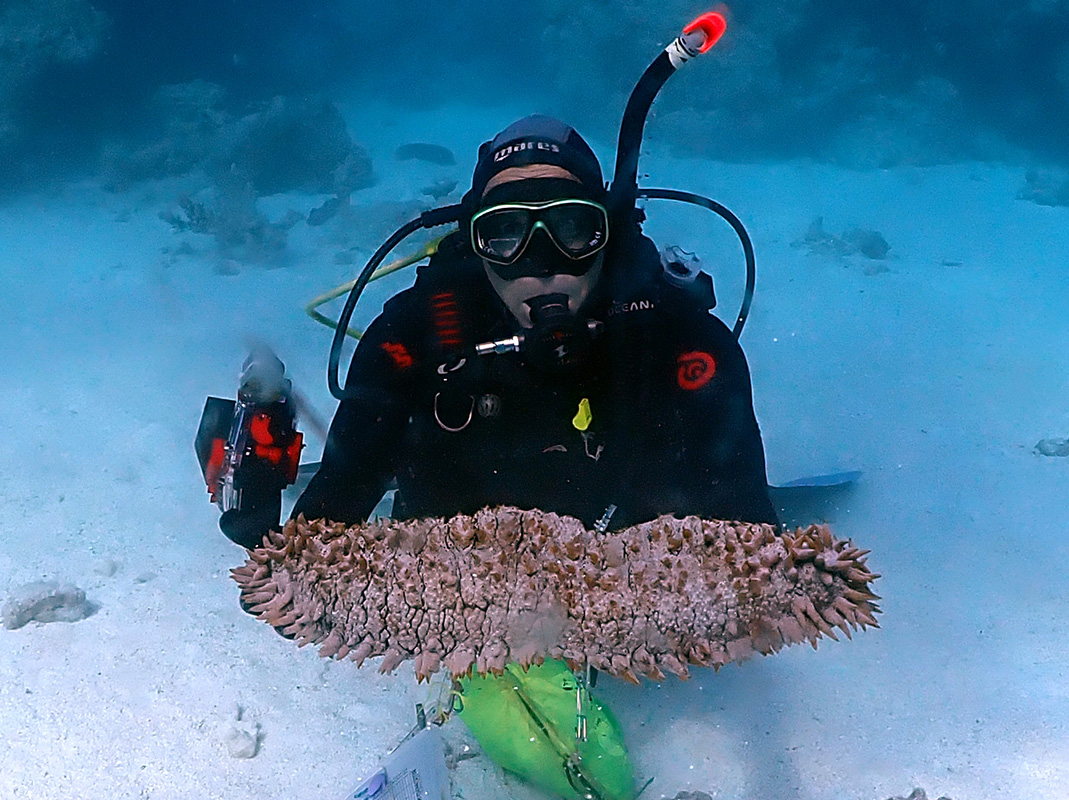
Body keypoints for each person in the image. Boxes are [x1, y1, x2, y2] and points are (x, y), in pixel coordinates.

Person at [220, 115, 777, 549]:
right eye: (506, 233)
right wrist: (267, 528)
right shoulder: (412, 339)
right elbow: (325, 528)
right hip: (452, 566)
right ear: (474, 245)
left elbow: (751, 531)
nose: (540, 264)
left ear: (607, 235)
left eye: (571, 228)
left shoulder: (681, 341)